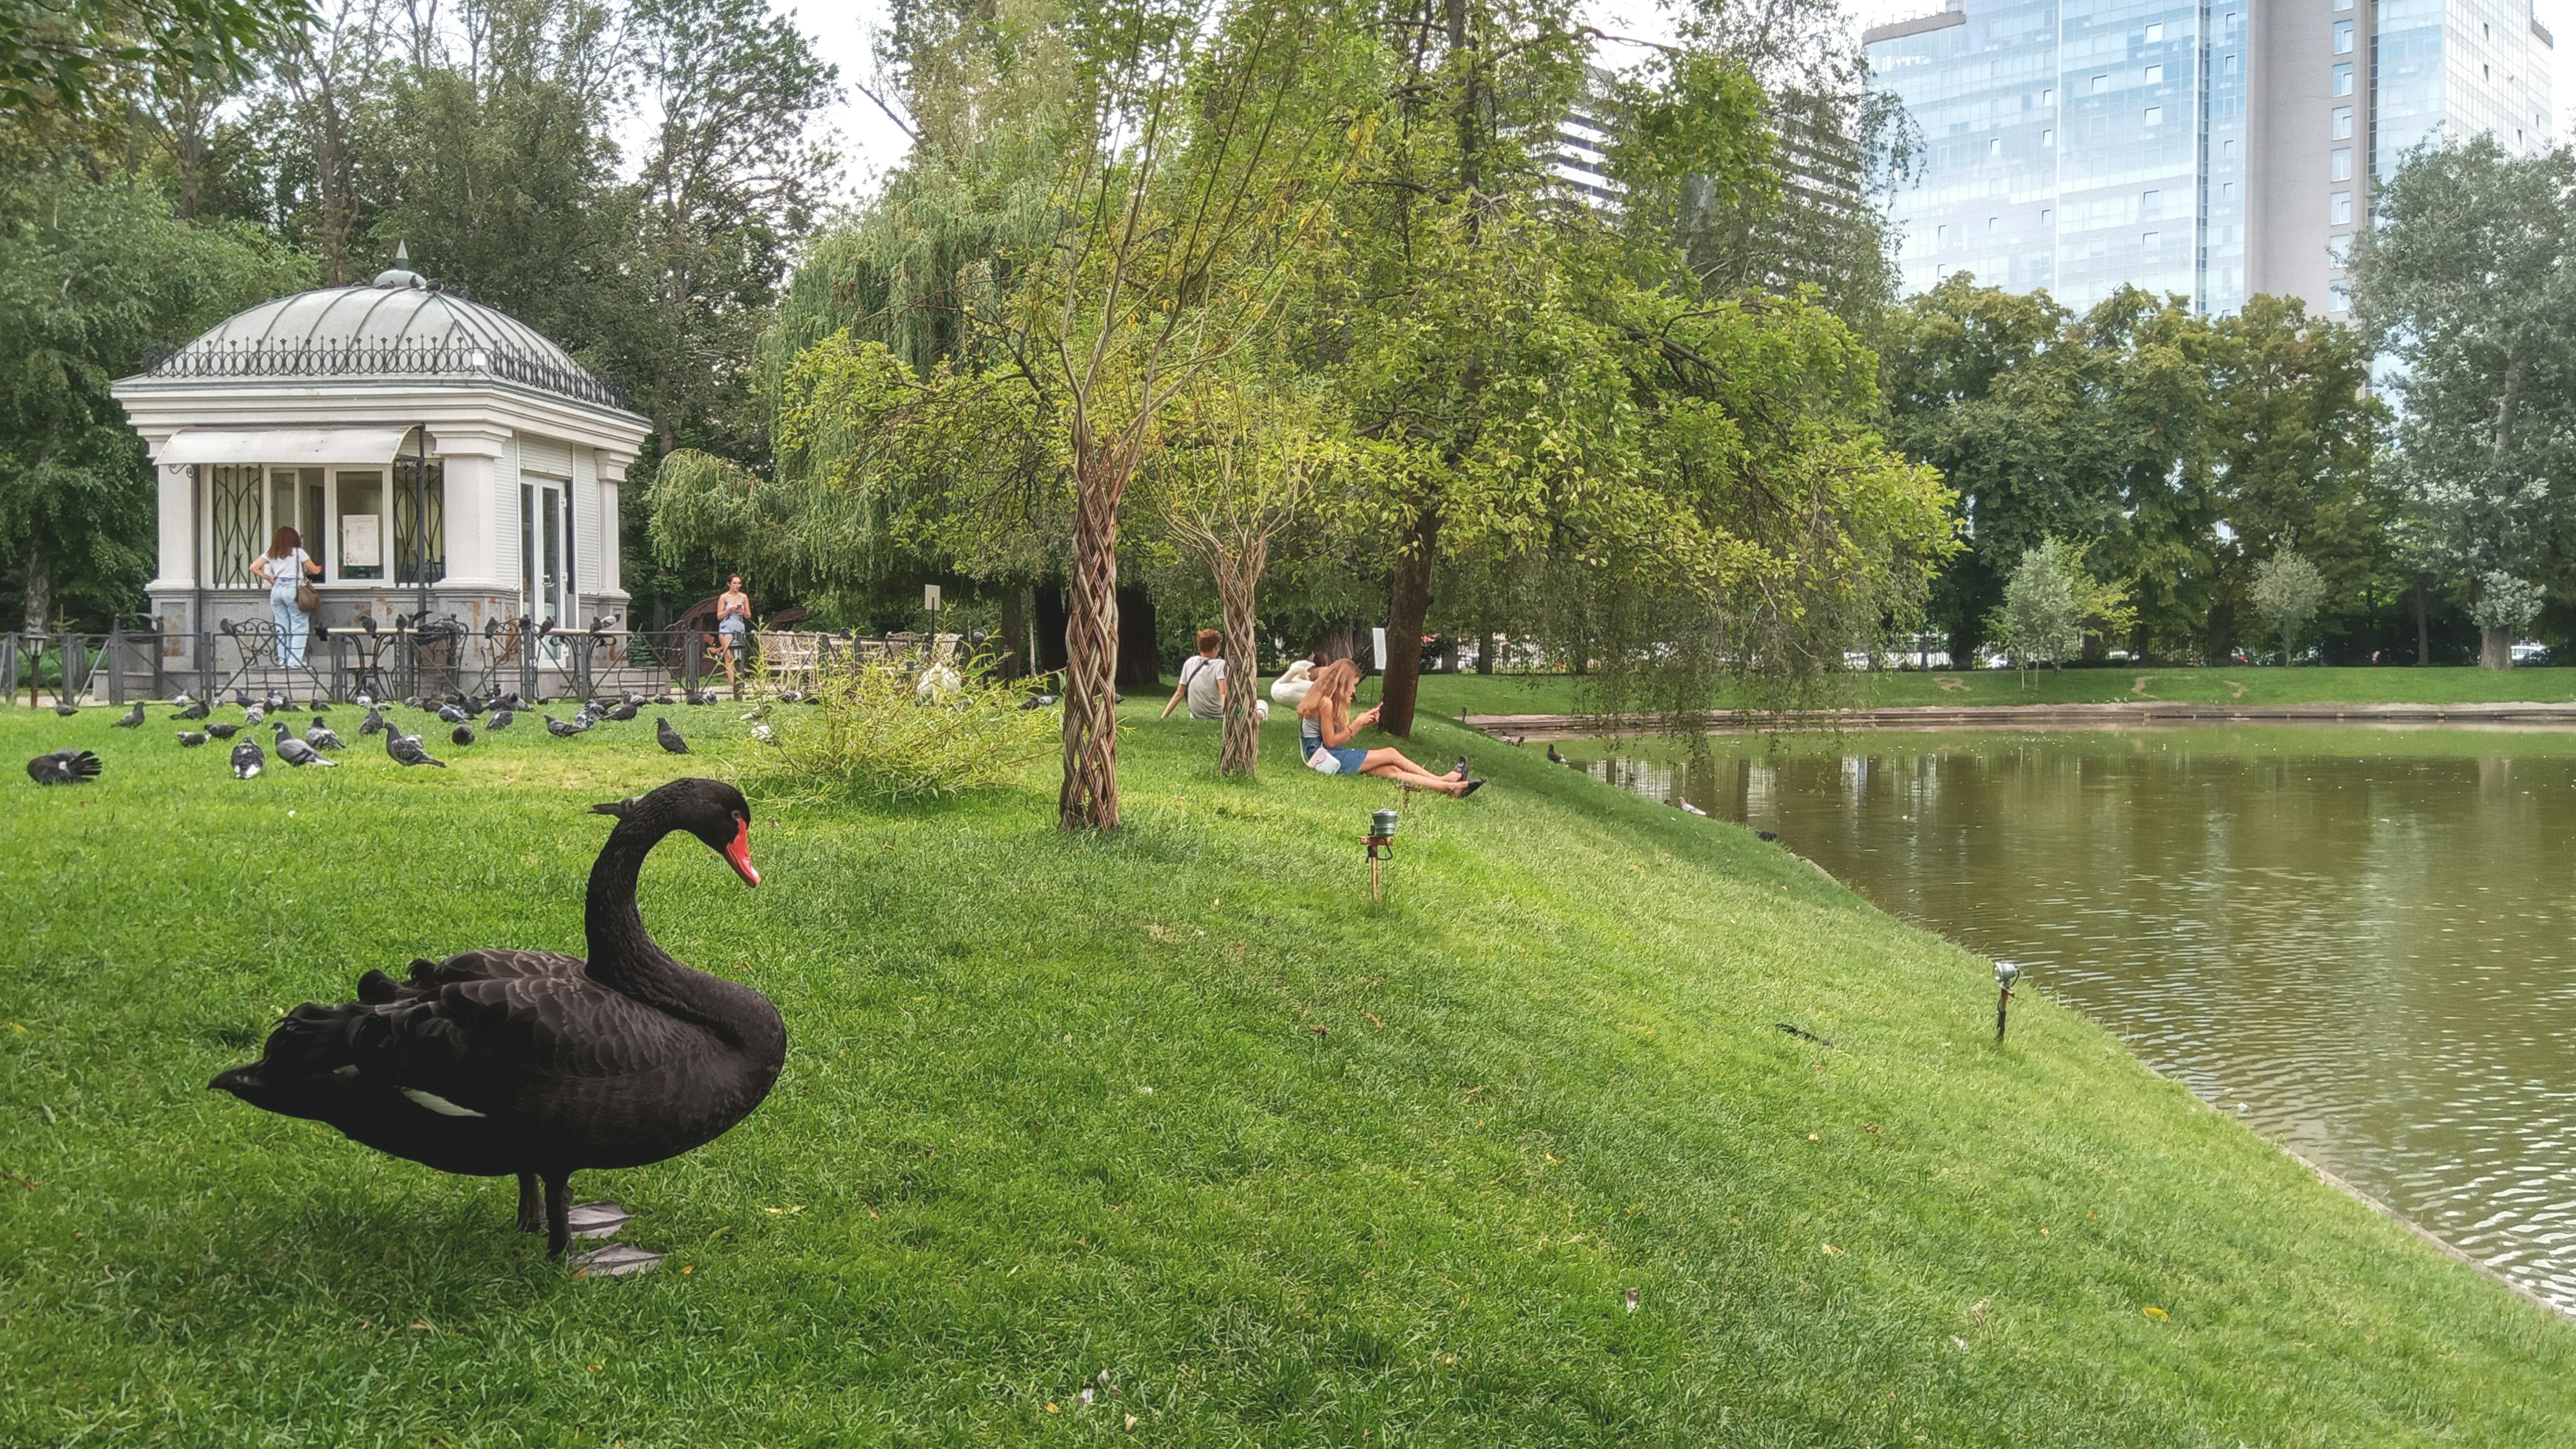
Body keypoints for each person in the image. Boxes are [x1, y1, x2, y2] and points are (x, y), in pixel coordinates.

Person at [1295, 658, 1484, 797]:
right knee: (1391, 753)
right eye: (1353, 685)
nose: (1354, 691)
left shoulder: (1324, 699)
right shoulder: (1326, 703)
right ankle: (1445, 779)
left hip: (1326, 757)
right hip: (1325, 758)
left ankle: (1450, 789)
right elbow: (1330, 743)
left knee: (1390, 770)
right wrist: (1358, 723)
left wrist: (1362, 723)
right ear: (1343, 682)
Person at [250, 525, 321, 667]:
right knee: (299, 626)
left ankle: (283, 661)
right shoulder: (298, 552)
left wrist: (269, 578)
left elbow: (253, 567)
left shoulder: (272, 553)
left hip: (277, 590)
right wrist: (321, 568)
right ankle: (294, 662)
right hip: (293, 590)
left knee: (282, 627)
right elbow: (314, 570)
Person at [1162, 629, 1229, 720]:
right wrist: (1227, 718)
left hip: (1197, 715)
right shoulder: (1220, 665)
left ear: (1199, 646)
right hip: (1218, 715)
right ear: (1216, 647)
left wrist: (1163, 717)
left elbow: (1179, 693)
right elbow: (1223, 693)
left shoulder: (1190, 662)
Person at [713, 574, 751, 695]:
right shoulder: (724, 597)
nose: (737, 586)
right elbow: (719, 616)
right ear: (729, 584)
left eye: (739, 583)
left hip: (739, 627)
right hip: (726, 628)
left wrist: (743, 611)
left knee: (739, 657)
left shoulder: (744, 597)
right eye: (735, 583)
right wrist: (729, 610)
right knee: (729, 657)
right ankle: (734, 684)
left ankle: (740, 682)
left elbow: (749, 615)